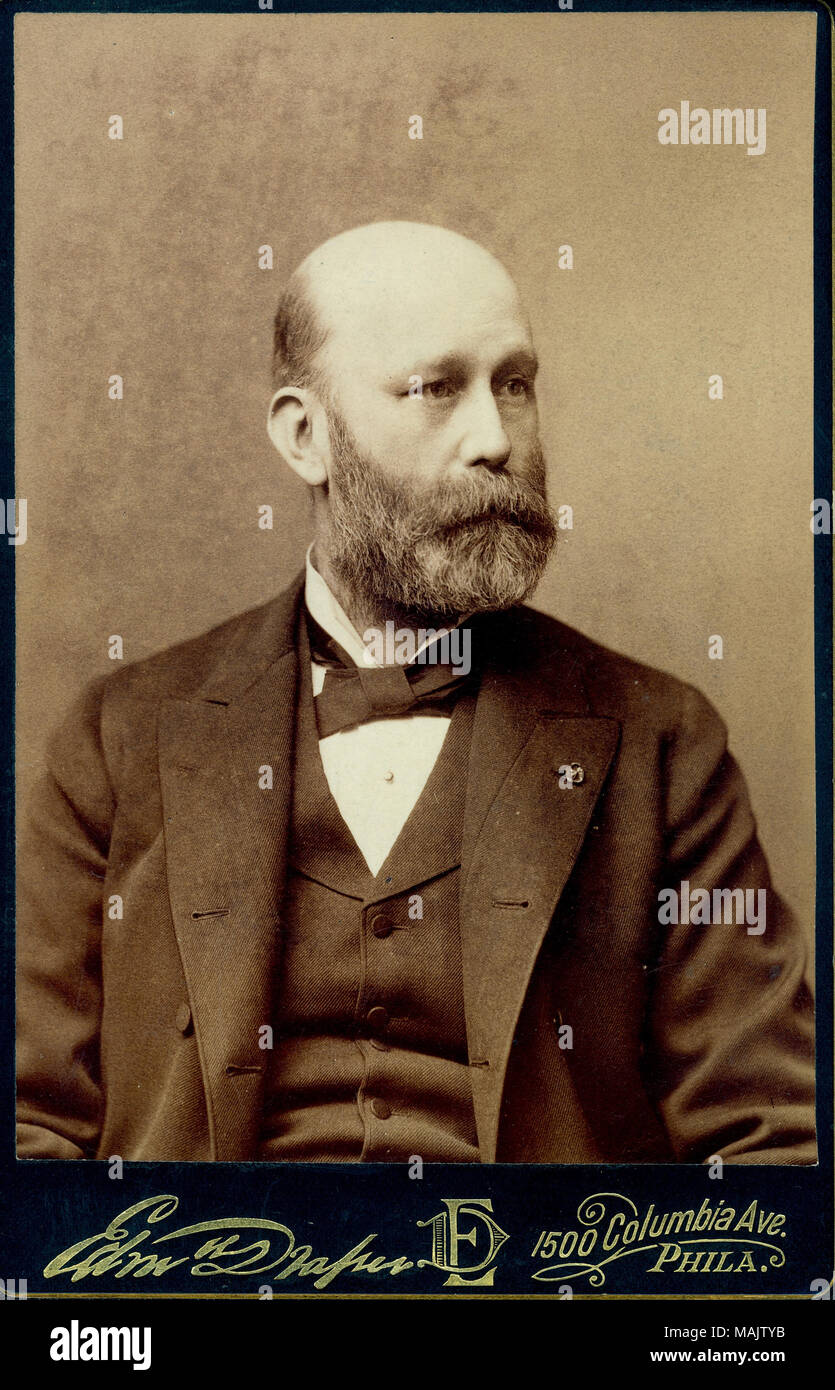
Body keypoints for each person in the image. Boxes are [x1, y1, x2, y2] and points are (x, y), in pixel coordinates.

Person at [16, 221, 815, 1164]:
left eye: (513, 385)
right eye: (435, 389)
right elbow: (30, 1134)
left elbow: (765, 1143)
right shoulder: (119, 739)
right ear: (305, 437)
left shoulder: (661, 742)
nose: (494, 440)